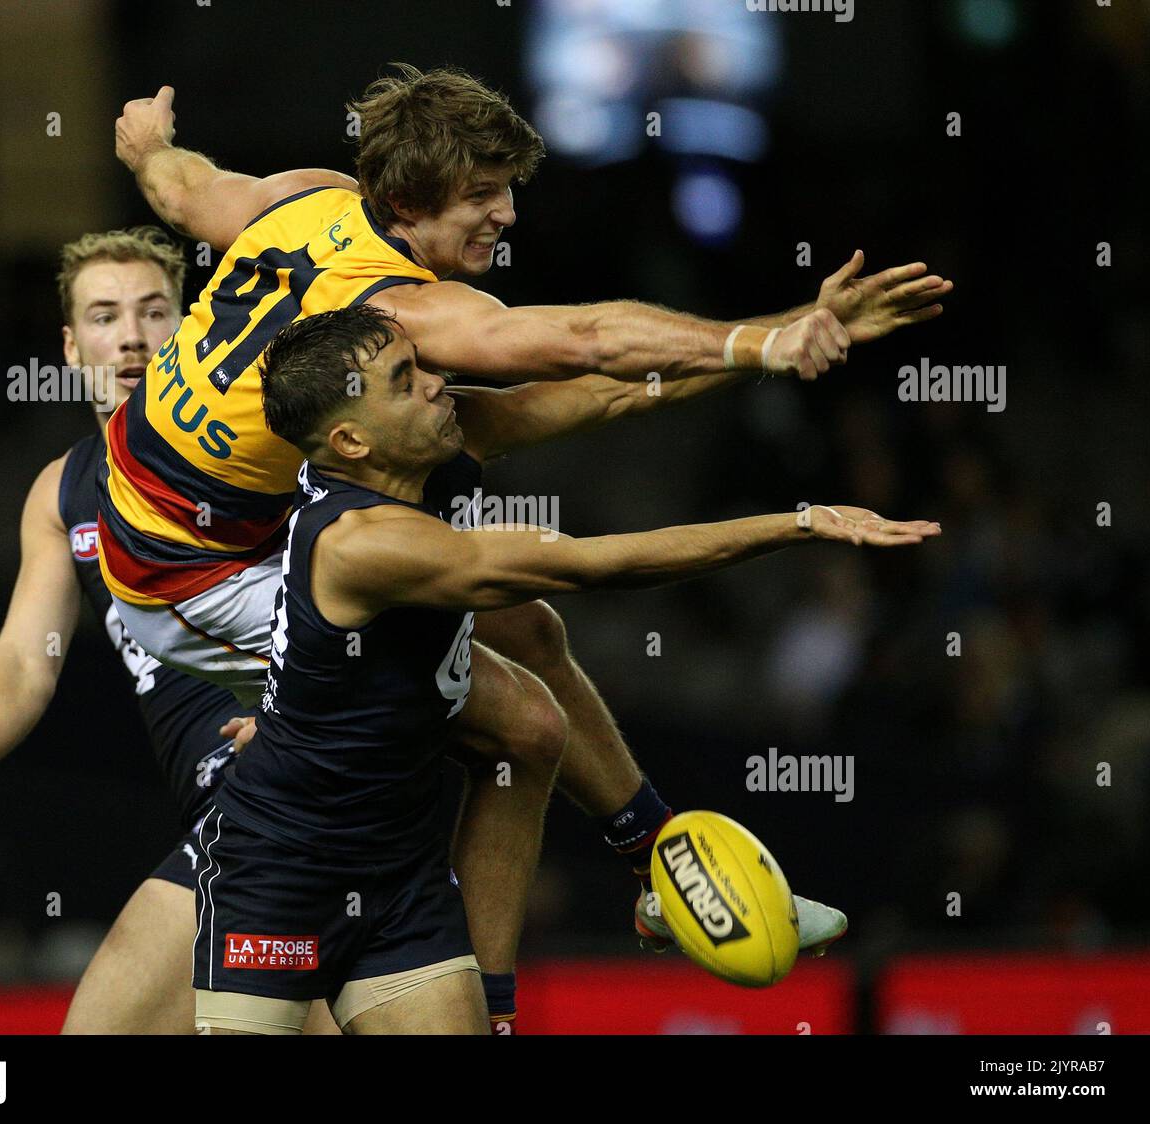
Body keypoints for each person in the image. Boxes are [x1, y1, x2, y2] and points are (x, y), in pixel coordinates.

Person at [104, 68, 951, 1026]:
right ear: (409, 199)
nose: (507, 214)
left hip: (170, 504)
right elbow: (590, 341)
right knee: (525, 729)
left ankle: (658, 865)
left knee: (533, 633)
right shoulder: (410, 319)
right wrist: (761, 358)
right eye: (482, 194)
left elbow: (185, 188)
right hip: (193, 579)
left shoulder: (310, 201)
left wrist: (146, 141)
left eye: (508, 188)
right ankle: (495, 1000)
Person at [192, 305, 940, 1034]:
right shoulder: (368, 545)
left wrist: (775, 338)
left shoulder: (439, 443)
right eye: (402, 379)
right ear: (352, 441)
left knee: (534, 715)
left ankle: (645, 874)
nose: (433, 381)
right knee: (529, 679)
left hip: (399, 871)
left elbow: (614, 386)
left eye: (418, 363)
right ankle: (652, 868)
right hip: (283, 870)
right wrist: (800, 522)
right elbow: (599, 563)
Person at [0, 227, 335, 1034]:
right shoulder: (61, 493)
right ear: (70, 345)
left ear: (189, 331)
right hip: (223, 815)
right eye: (104, 316)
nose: (130, 334)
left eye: (152, 311)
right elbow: (27, 661)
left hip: (286, 794)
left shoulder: (265, 447)